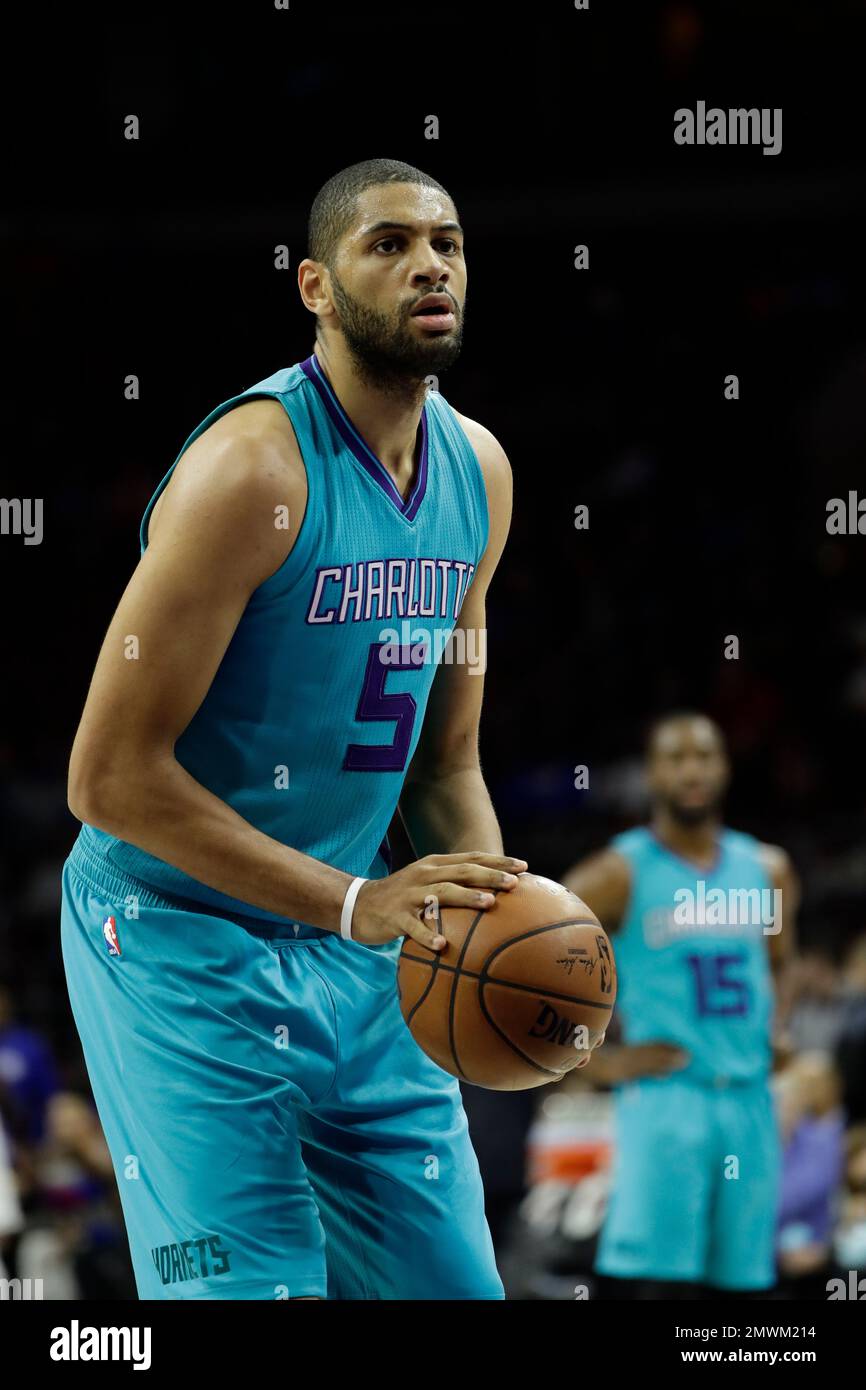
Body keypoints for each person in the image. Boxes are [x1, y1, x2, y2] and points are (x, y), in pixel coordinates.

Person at [61, 158, 602, 1300]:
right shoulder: (248, 469)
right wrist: (357, 902)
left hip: (356, 938)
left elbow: (445, 759)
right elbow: (106, 777)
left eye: (447, 244)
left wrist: (496, 923)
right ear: (314, 285)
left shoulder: (480, 473)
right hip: (173, 936)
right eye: (390, 244)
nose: (428, 266)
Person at [562, 712, 798, 1296]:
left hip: (749, 1101)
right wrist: (599, 1061)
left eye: (705, 755)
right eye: (676, 757)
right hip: (668, 1100)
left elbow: (779, 962)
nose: (692, 769)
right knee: (659, 1290)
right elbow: (537, 967)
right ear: (651, 774)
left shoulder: (767, 869)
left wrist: (777, 1028)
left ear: (725, 767)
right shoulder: (616, 873)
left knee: (743, 1294)